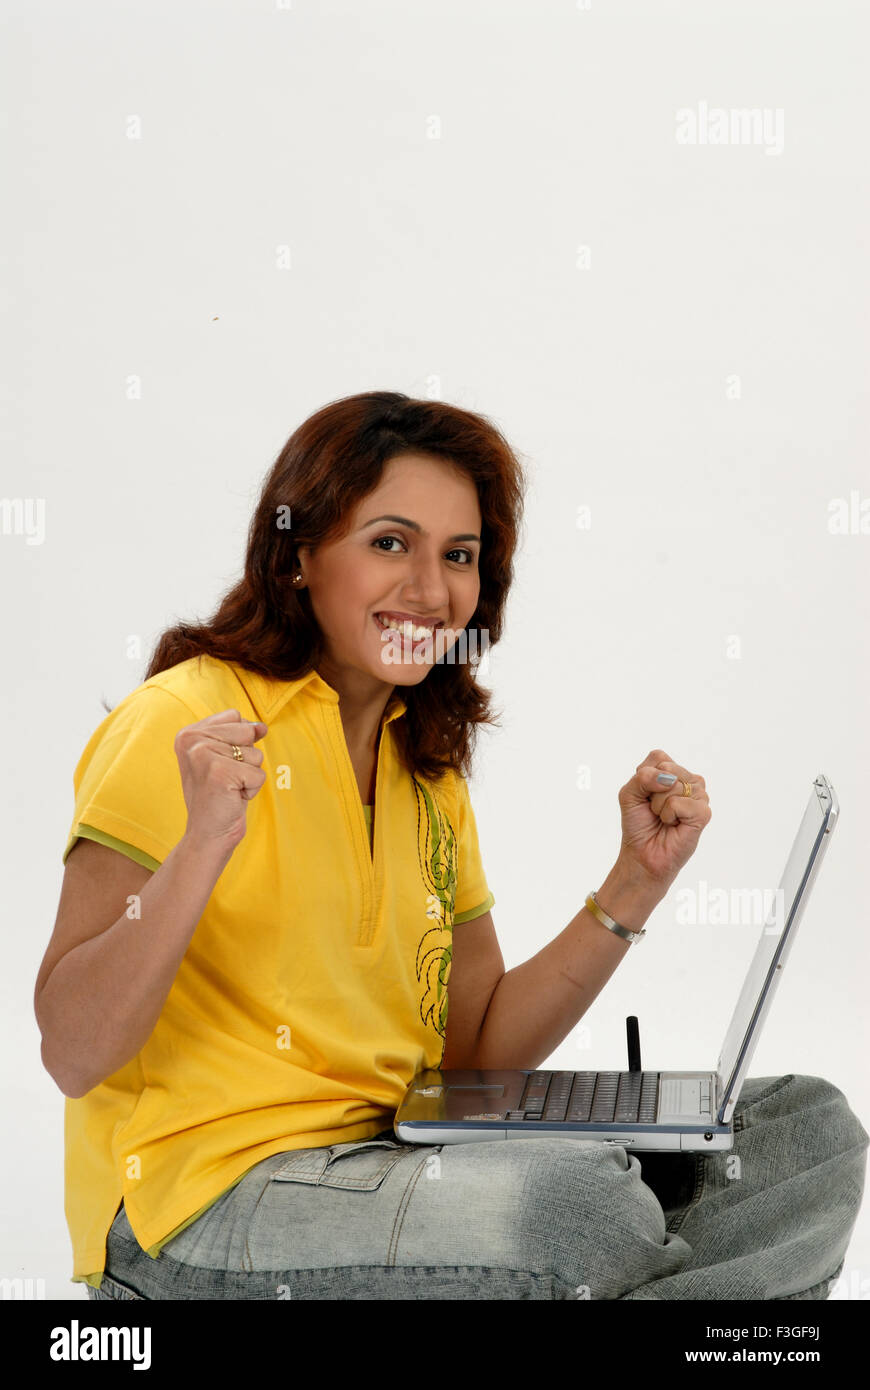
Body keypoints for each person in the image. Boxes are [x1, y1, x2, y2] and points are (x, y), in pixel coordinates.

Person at [35, 391, 868, 1300]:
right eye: (390, 542)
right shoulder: (187, 724)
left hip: (398, 1161)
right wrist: (202, 846)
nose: (430, 591)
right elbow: (72, 1052)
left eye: (459, 556)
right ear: (300, 554)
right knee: (577, 1206)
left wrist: (636, 882)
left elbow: (475, 1059)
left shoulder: (423, 767)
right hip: (204, 1210)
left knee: (802, 1131)